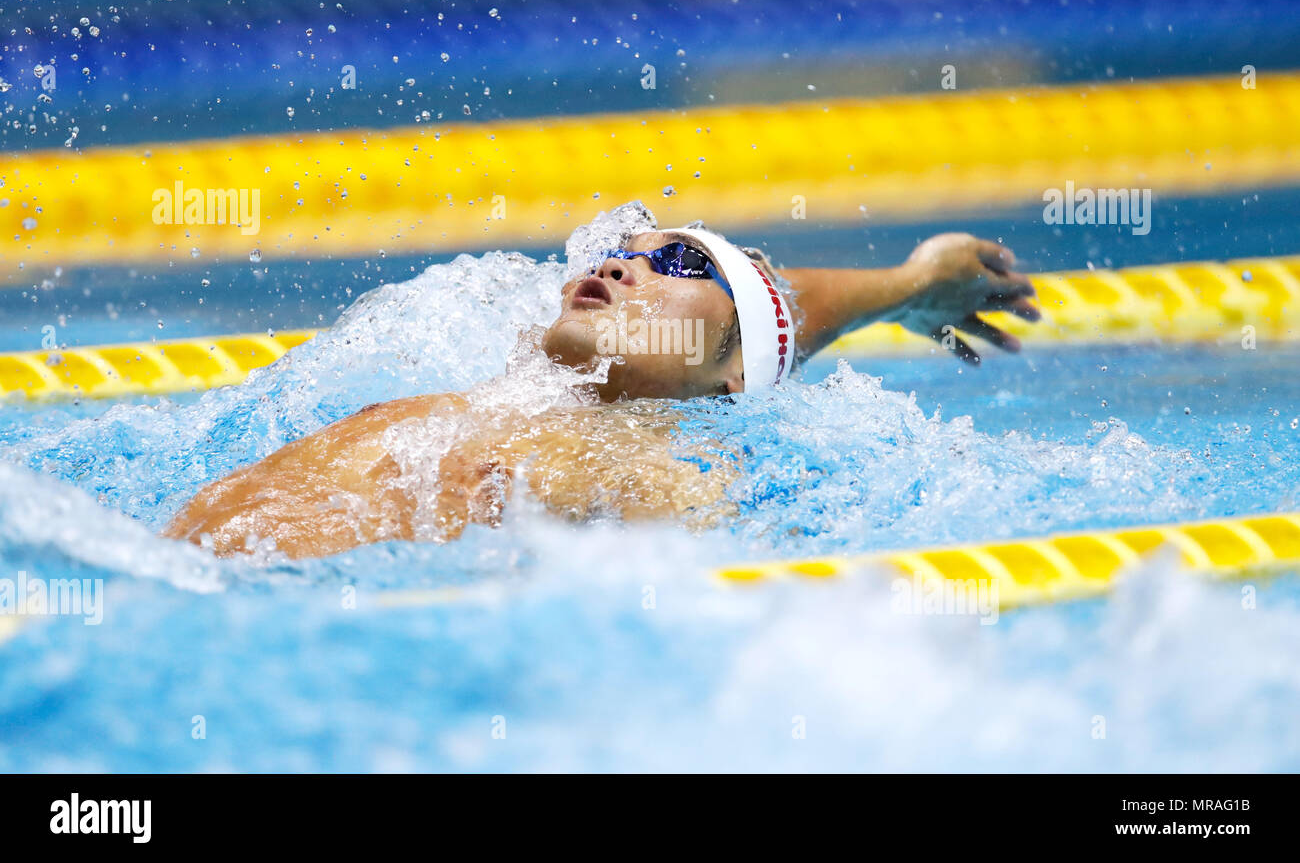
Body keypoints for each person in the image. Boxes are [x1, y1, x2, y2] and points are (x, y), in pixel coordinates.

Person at [164, 210, 1039, 558]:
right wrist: (917, 281)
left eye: (679, 264)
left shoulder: (651, 465)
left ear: (731, 374)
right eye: (619, 253)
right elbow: (780, 321)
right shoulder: (519, 399)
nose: (623, 264)